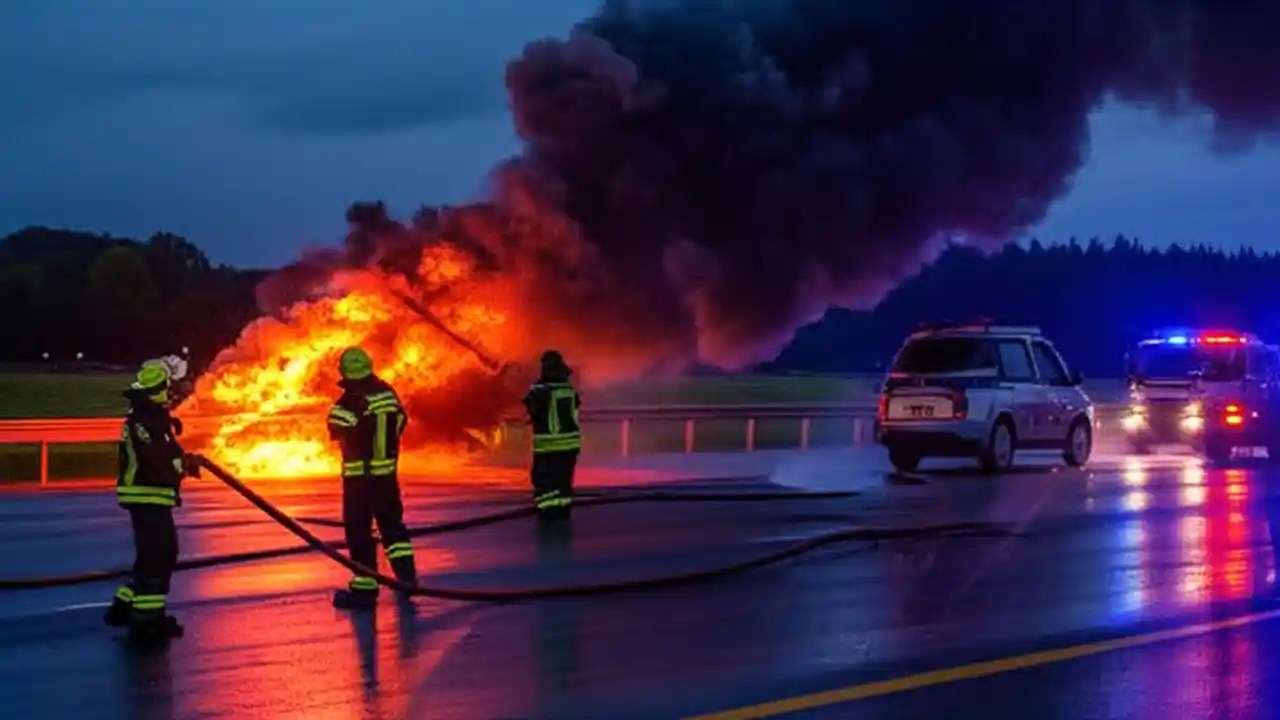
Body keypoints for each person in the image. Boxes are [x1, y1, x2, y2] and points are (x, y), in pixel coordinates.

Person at [103, 363, 200, 641]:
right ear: (156, 391)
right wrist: (182, 465)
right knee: (161, 554)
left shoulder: (151, 417)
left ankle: (124, 607)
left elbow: (166, 451)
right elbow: (158, 458)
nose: (170, 394)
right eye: (166, 389)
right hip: (147, 495)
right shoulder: (146, 421)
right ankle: (147, 620)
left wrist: (184, 461)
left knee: (150, 557)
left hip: (150, 495)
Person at [326, 347, 416, 610]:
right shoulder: (388, 394)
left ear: (346, 374)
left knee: (359, 531)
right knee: (393, 527)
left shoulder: (347, 404)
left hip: (359, 480)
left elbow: (336, 431)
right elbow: (400, 421)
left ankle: (365, 591)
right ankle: (407, 579)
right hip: (386, 476)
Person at [523, 350, 582, 521]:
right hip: (570, 446)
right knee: (563, 481)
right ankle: (562, 511)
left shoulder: (541, 391)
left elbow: (531, 407)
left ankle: (547, 513)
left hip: (549, 446)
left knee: (544, 481)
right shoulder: (568, 389)